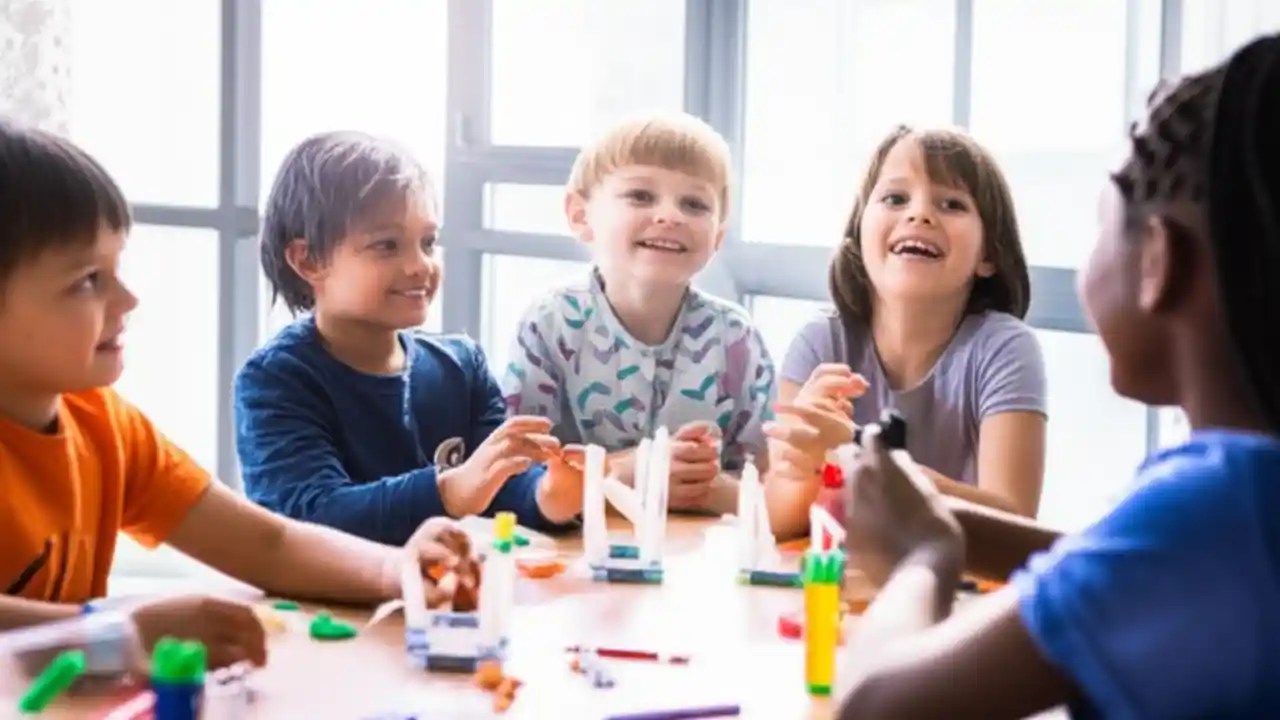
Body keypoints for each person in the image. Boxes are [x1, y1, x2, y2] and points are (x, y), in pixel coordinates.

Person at [0, 121, 469, 669]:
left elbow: (268, 545)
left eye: (116, 268)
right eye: (86, 280)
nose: (127, 299)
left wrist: (395, 569)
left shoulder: (103, 424)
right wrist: (113, 631)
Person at [502, 112, 775, 514]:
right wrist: (635, 470)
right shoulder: (548, 324)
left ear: (717, 235)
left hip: (700, 563)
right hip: (573, 559)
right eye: (641, 196)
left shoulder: (737, 338)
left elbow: (769, 490)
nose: (670, 215)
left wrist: (707, 488)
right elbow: (518, 480)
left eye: (694, 204)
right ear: (581, 215)